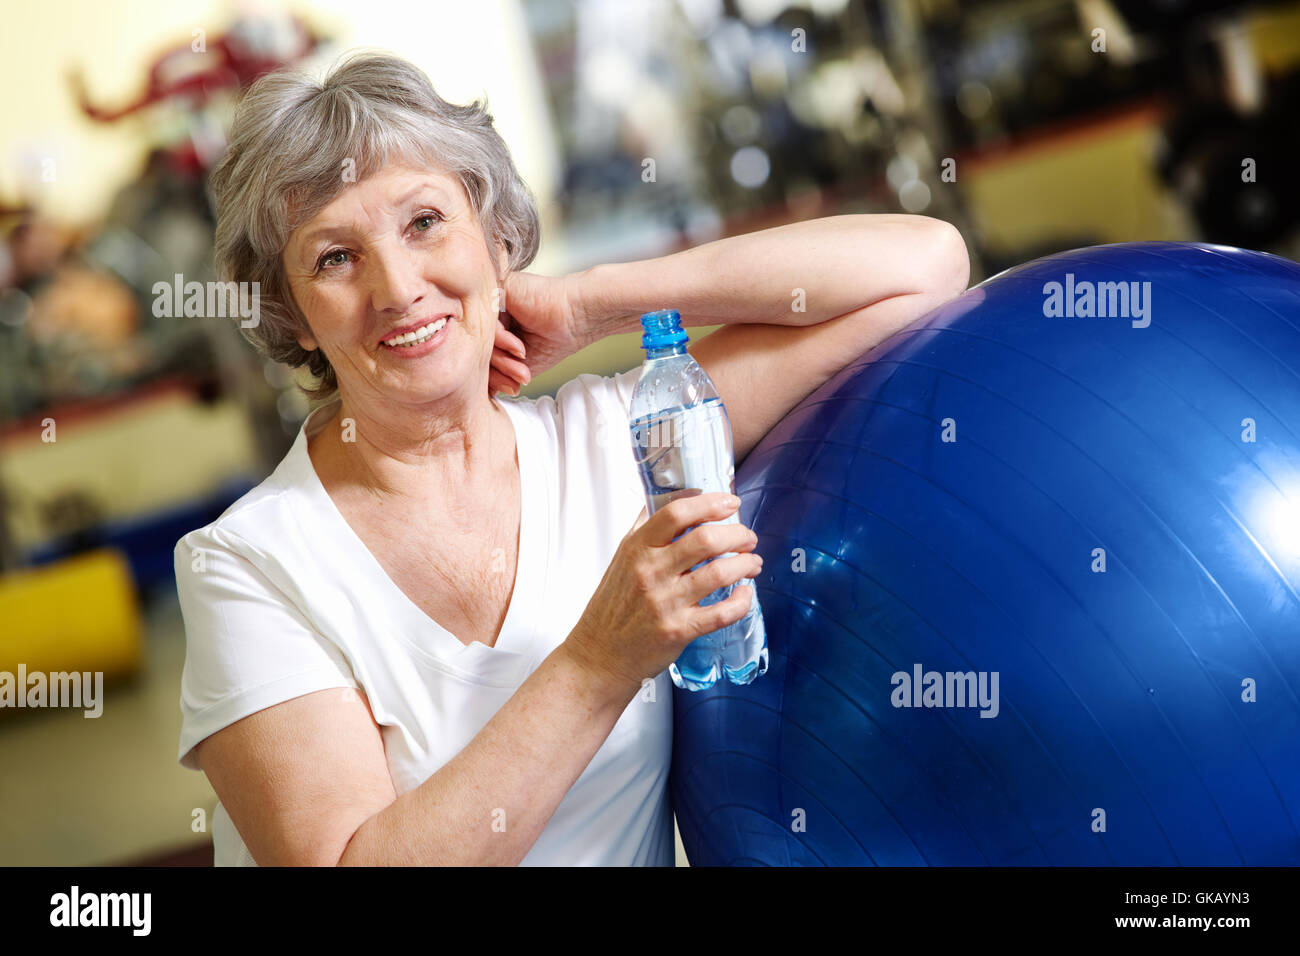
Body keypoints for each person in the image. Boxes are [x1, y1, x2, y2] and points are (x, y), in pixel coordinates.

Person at [174, 51, 969, 866]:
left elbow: (924, 268)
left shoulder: (624, 436)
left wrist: (592, 304)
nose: (399, 287)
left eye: (425, 224)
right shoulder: (248, 563)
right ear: (293, 314)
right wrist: (600, 659)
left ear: (493, 240)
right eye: (335, 258)